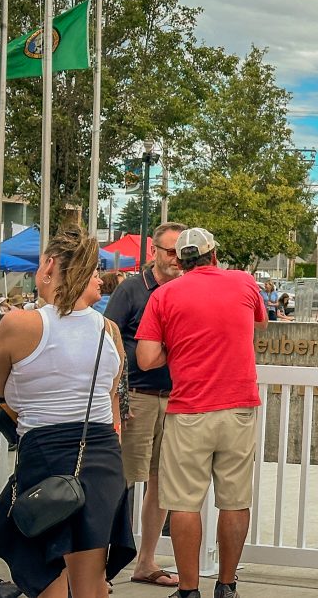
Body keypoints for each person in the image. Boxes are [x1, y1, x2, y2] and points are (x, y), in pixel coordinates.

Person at [0, 228, 134, 598]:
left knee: (47, 569)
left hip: (47, 454)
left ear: (49, 265)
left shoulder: (20, 323)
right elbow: (111, 394)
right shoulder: (109, 330)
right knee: (91, 583)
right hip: (100, 457)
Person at [136, 227, 267, 598]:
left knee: (184, 503)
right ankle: (226, 585)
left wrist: (176, 349)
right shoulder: (243, 282)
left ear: (180, 259)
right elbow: (260, 323)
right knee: (235, 500)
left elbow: (146, 358)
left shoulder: (164, 295)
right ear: (214, 254)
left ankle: (189, 589)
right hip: (239, 406)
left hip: (189, 410)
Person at [104, 221, 186, 588]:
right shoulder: (132, 289)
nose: (175, 258)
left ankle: (146, 562)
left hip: (176, 398)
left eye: (181, 252)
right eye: (169, 251)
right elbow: (108, 341)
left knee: (163, 484)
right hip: (136, 396)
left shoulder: (187, 289)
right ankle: (97, 568)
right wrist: (118, 398)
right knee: (118, 481)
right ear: (153, 251)